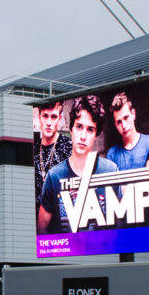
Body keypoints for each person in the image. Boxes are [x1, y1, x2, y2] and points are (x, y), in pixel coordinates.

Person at [38, 95, 119, 234]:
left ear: (96, 134)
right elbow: (41, 230)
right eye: (79, 126)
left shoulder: (110, 171)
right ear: (71, 129)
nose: (83, 136)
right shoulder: (54, 176)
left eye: (90, 129)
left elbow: (120, 227)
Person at [33, 101, 73, 222]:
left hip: (62, 222)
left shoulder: (69, 147)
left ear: (60, 119)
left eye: (53, 116)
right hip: (35, 226)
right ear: (39, 117)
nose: (49, 122)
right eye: (45, 116)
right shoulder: (32, 148)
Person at [105, 92, 149, 171]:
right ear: (115, 125)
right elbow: (110, 183)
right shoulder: (112, 154)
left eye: (126, 117)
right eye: (119, 122)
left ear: (133, 114)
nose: (124, 126)